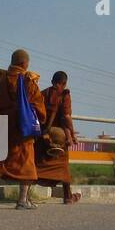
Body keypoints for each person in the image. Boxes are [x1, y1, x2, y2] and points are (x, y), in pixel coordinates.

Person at [0, 49, 46, 209]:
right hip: (22, 127)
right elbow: (38, 107)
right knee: (26, 164)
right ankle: (22, 200)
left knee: (4, 160)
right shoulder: (28, 81)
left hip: (3, 125)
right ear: (25, 63)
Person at [36, 71, 79, 204]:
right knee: (62, 166)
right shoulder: (64, 95)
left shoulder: (43, 94)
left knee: (38, 164)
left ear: (52, 81)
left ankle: (24, 195)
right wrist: (72, 134)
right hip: (59, 138)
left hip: (43, 136)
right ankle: (67, 196)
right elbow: (66, 117)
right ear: (64, 83)